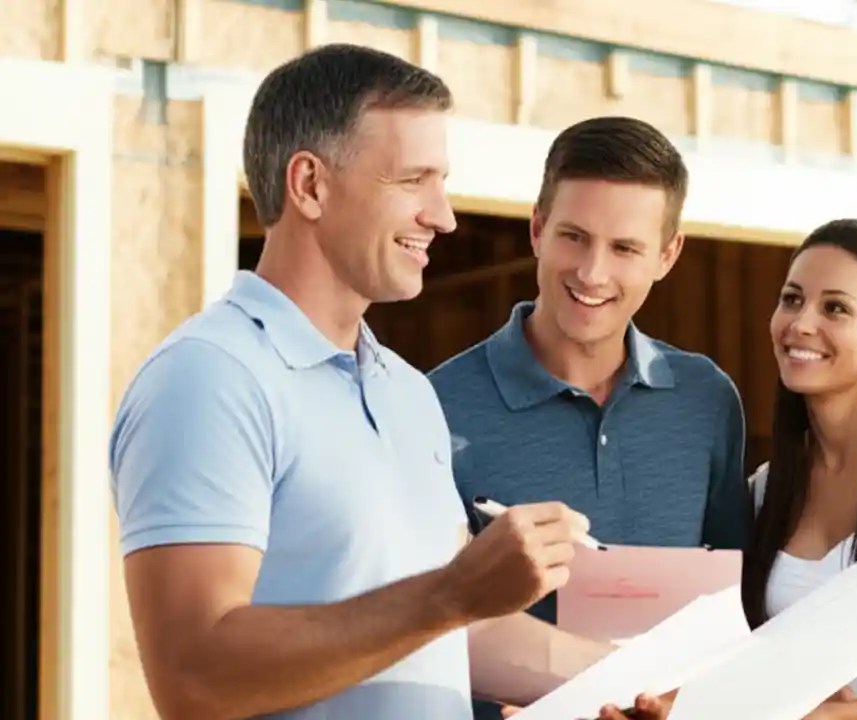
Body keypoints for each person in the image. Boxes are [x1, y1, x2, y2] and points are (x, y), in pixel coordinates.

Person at [109, 44, 613, 720]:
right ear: (311, 185)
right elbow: (194, 675)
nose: (444, 216)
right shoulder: (209, 377)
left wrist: (629, 681)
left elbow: (453, 632)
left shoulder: (409, 395)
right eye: (414, 180)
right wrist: (452, 592)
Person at [601, 219, 857, 720]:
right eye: (792, 299)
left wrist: (831, 717)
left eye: (836, 308)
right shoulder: (765, 491)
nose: (801, 323)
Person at [427, 116, 751, 718]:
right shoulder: (433, 407)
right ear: (537, 230)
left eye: (625, 248)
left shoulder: (707, 401)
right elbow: (420, 624)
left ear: (667, 255)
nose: (593, 273)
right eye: (574, 237)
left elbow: (732, 606)